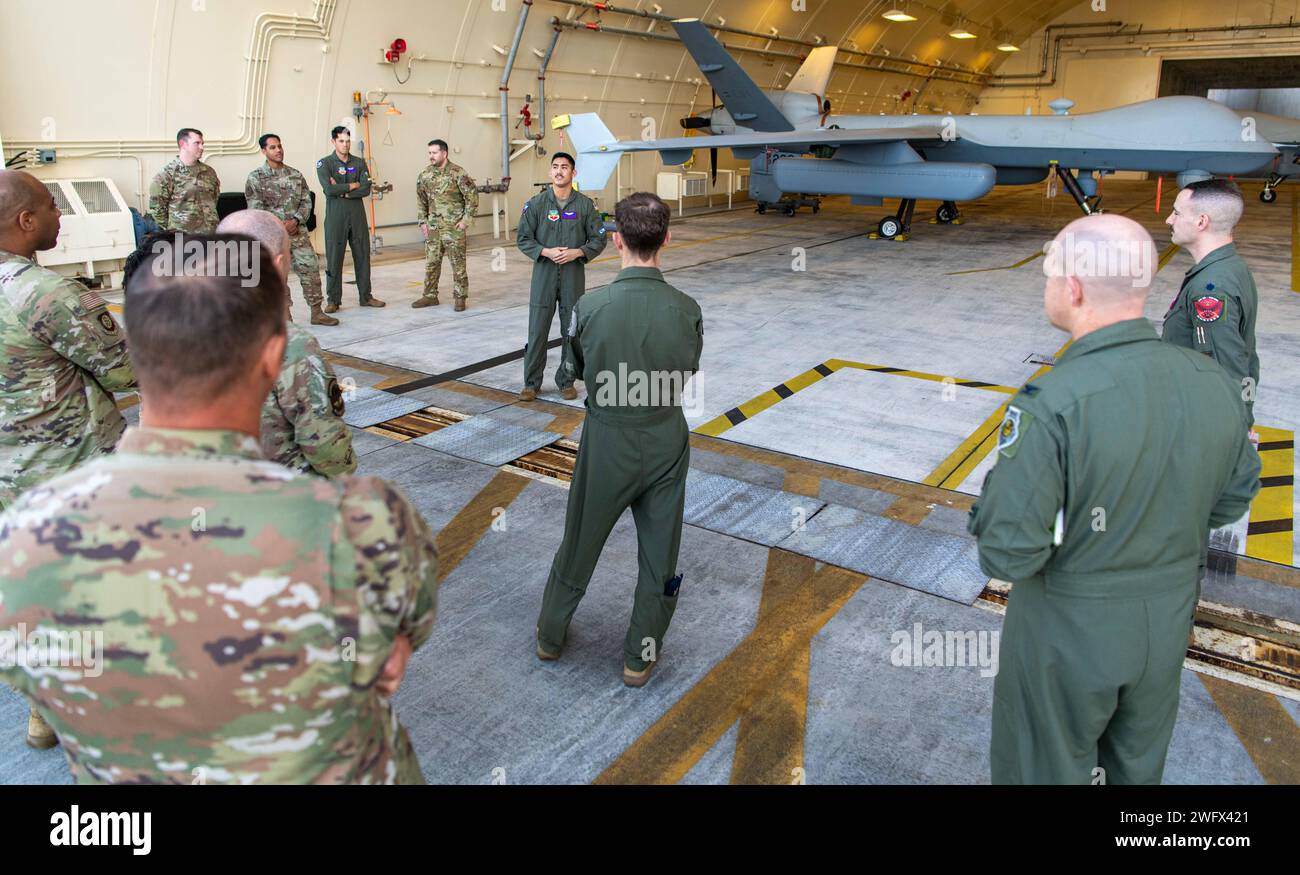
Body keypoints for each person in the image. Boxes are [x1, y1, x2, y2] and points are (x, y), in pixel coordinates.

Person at [0, 232, 437, 784]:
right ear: (273, 356)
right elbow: (391, 656)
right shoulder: (368, 525)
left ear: (135, 349)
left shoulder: (23, 543)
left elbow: (35, 674)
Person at [968, 214, 1261, 784]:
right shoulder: (1214, 385)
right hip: (1168, 622)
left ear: (1072, 288)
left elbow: (1007, 555)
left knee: (1043, 769)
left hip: (1068, 629)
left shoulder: (1051, 401)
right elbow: (1229, 502)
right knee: (1136, 775)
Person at [535, 193, 702, 688]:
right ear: (667, 239)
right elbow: (687, 368)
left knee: (580, 542)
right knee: (659, 555)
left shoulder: (590, 306)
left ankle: (550, 635)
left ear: (616, 239)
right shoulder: (686, 309)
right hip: (666, 437)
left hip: (608, 436)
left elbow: (575, 370)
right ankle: (638, 656)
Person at [0, 169, 137, 750]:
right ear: (25, 220)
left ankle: (41, 711)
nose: (61, 217)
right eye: (53, 208)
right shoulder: (47, 294)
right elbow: (127, 369)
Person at [216, 210, 356, 477]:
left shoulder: (177, 326)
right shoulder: (290, 345)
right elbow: (326, 448)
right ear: (277, 264)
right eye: (289, 255)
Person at [1163, 179, 1260, 426]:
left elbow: (1225, 369)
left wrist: (1234, 435)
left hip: (1197, 423)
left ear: (1201, 221)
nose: (1169, 220)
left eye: (1176, 213)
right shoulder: (1231, 267)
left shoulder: (1212, 288)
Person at [515, 152, 608, 401]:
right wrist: (545, 251)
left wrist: (579, 252)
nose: (559, 171)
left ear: (573, 173)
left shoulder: (585, 206)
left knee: (571, 330)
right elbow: (523, 238)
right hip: (543, 274)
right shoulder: (536, 205)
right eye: (555, 167)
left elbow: (599, 238)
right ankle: (531, 383)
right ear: (550, 172)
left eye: (564, 167)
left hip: (573, 275)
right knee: (537, 330)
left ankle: (566, 381)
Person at [245, 133, 338, 326]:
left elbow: (306, 201)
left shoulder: (295, 175)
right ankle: (285, 316)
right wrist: (281, 226)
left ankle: (316, 312)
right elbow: (256, 209)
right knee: (279, 277)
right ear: (263, 151)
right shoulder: (256, 178)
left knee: (311, 270)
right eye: (272, 147)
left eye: (279, 146)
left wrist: (296, 220)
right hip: (274, 237)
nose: (278, 150)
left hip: (298, 234)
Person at [316, 126, 384, 313]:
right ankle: (333, 300)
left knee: (362, 256)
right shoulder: (325, 163)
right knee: (334, 258)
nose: (345, 145)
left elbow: (365, 189)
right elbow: (329, 190)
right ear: (333, 142)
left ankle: (366, 296)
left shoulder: (359, 162)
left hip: (357, 216)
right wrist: (352, 185)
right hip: (336, 217)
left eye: (347, 141)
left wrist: (344, 190)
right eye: (341, 141)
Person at [414, 138, 479, 312]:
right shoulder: (425, 175)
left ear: (444, 153)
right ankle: (430, 296)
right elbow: (421, 201)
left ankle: (460, 297)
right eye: (429, 153)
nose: (431, 156)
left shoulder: (458, 173)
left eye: (434, 153)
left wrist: (465, 222)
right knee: (431, 263)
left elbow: (472, 198)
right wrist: (423, 222)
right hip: (433, 228)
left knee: (458, 264)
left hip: (453, 228)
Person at [148, 128, 220, 233]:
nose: (202, 147)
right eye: (197, 143)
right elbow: (157, 210)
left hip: (210, 234)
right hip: (183, 238)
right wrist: (174, 229)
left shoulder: (209, 172)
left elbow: (214, 198)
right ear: (183, 144)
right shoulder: (167, 175)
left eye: (202, 143)